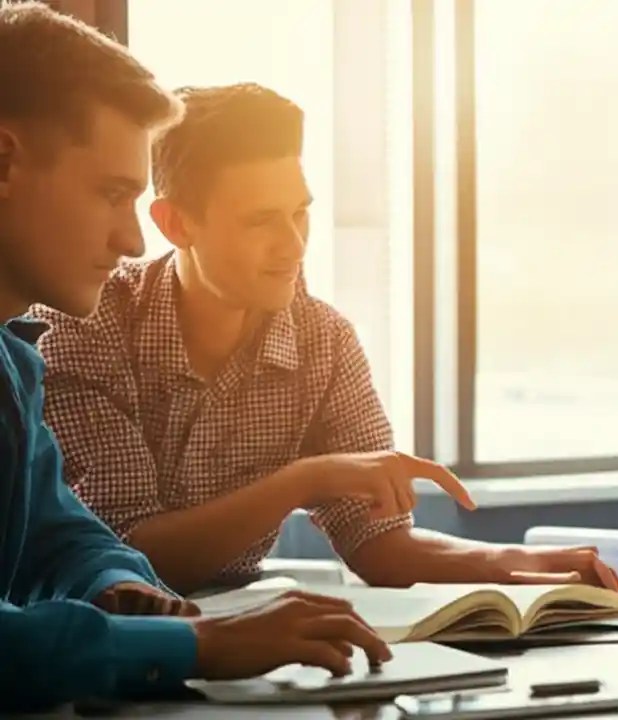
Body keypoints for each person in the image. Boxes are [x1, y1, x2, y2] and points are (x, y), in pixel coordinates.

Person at [30, 81, 618, 596]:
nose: (292, 245)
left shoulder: (325, 341)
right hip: (97, 644)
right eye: (261, 220)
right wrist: (307, 479)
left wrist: (514, 563)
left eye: (300, 213)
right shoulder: (86, 321)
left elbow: (379, 546)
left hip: (244, 637)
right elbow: (128, 555)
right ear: (176, 223)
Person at [0, 3, 390, 711]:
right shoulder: (67, 338)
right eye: (112, 195)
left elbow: (61, 537)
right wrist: (200, 644)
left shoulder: (12, 360)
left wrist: (124, 586)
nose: (132, 240)